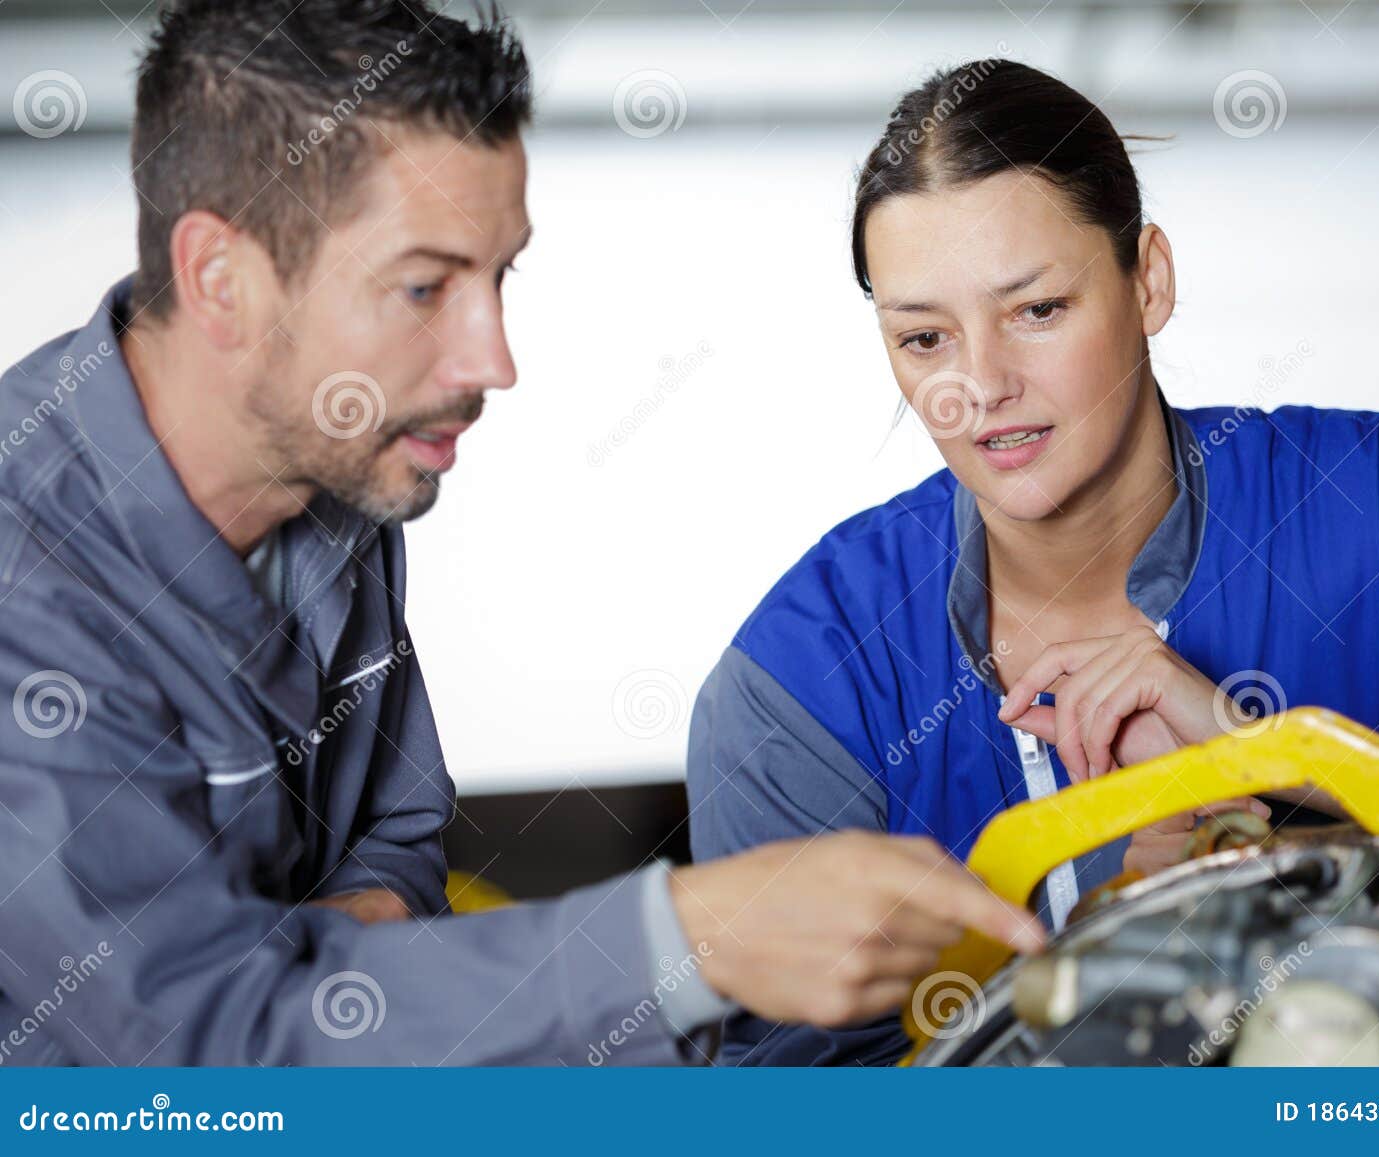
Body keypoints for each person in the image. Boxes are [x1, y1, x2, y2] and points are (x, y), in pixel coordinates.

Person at [0, 2, 1047, 1067]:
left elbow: (400, 836)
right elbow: (207, 1054)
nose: (492, 359)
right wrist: (680, 939)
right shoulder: (23, 590)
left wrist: (328, 976)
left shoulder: (334, 477)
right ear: (222, 279)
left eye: (498, 276)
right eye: (424, 286)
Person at [686, 58, 1379, 1066]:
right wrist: (1130, 943)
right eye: (923, 336)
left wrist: (1301, 763)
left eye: (1038, 310)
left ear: (1147, 279)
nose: (978, 386)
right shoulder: (802, 685)